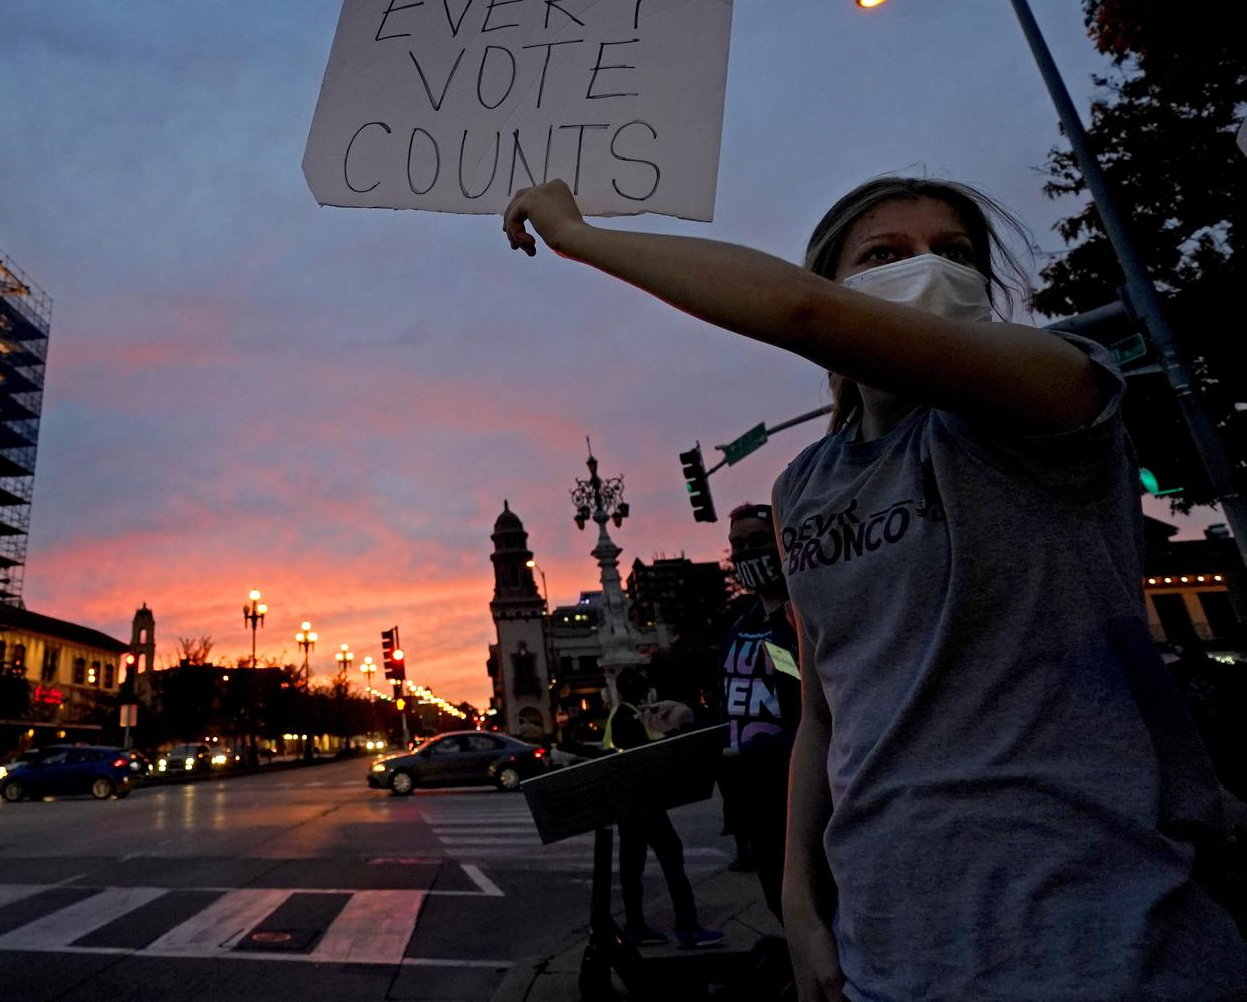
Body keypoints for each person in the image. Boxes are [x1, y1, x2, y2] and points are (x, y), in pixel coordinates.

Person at [504, 174, 1247, 1001]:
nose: (929, 268)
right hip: (887, 946)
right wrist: (800, 901)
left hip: (1101, 935)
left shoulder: (1060, 390)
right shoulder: (804, 489)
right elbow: (825, 710)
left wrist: (577, 235)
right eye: (886, 255)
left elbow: (802, 313)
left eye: (956, 253)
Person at [718, 501, 799, 923]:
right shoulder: (741, 622)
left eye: (756, 541)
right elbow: (731, 702)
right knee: (777, 903)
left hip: (798, 796)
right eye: (736, 545)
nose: (745, 553)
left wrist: (761, 754)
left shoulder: (803, 616)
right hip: (753, 802)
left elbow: (818, 712)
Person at [605, 666, 724, 950]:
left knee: (633, 867)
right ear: (635, 691)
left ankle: (636, 926)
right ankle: (687, 927)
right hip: (643, 803)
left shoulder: (621, 715)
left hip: (629, 804)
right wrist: (668, 731)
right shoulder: (627, 717)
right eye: (643, 689)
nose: (646, 693)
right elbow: (642, 751)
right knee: (671, 858)